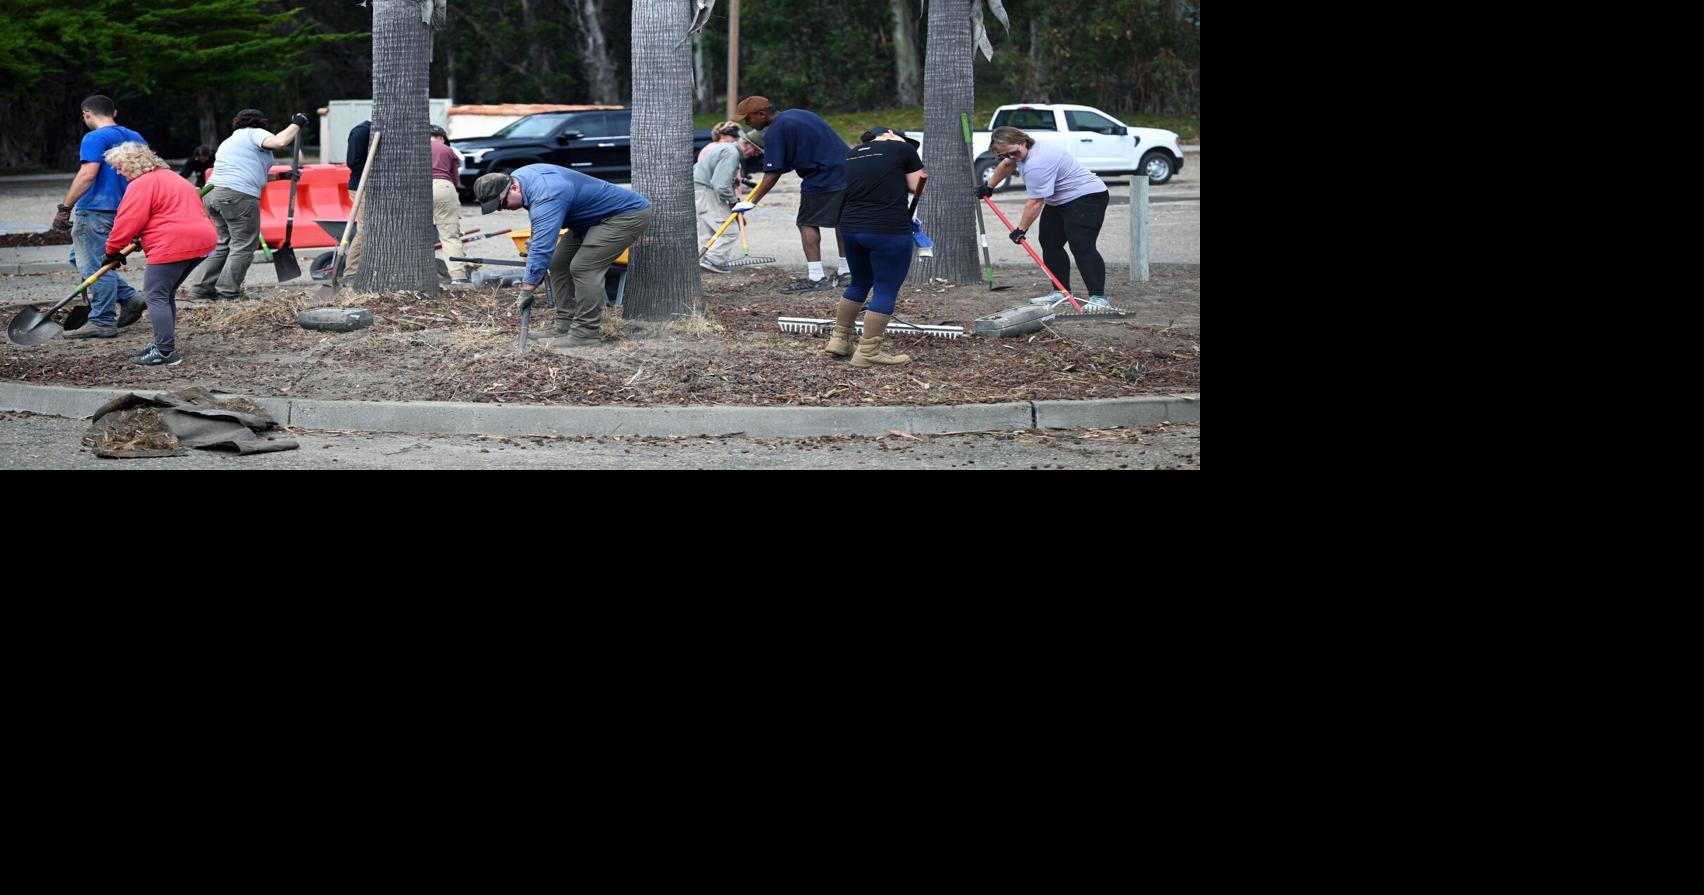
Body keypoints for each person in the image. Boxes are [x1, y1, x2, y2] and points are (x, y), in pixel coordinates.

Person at [473, 166, 652, 350]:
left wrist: (527, 290)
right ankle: (564, 325)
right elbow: (541, 221)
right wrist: (537, 241)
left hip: (624, 215)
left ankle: (585, 334)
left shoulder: (547, 194)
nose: (502, 209)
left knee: (584, 267)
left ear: (514, 188)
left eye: (502, 204)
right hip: (589, 219)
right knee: (558, 263)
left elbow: (543, 245)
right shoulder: (522, 179)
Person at [101, 143, 217, 366]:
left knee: (155, 295)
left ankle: (165, 351)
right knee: (165, 294)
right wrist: (139, 238)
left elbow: (127, 220)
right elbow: (168, 210)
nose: (117, 171)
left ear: (132, 164)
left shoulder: (141, 184)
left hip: (173, 243)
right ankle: (162, 343)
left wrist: (111, 251)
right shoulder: (173, 177)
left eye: (119, 167)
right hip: (202, 239)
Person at [824, 127, 928, 368]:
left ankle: (839, 340)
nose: (908, 145)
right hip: (888, 229)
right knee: (885, 289)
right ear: (890, 133)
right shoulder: (902, 149)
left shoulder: (852, 154)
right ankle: (868, 351)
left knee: (859, 283)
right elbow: (916, 186)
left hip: (851, 229)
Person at [978, 126, 1112, 306]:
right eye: (1006, 154)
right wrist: (989, 186)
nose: (1012, 157)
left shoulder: (1037, 162)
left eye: (1014, 153)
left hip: (1087, 197)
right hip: (1059, 200)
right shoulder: (1017, 154)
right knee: (1050, 243)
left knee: (1081, 245)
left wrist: (1021, 229)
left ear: (1023, 142)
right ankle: (1061, 292)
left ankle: (1099, 298)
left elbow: (1035, 202)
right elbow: (1007, 165)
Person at [729, 96, 852, 294]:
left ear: (762, 114)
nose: (747, 124)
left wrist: (750, 202)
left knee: (806, 222)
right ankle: (847, 273)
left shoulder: (775, 131)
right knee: (842, 221)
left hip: (822, 175)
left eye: (748, 119)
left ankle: (816, 277)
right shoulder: (798, 114)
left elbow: (773, 173)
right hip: (848, 170)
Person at [185, 108, 309, 301]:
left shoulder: (231, 140)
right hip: (237, 196)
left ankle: (200, 289)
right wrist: (297, 124)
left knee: (223, 243)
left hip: (212, 194)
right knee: (243, 245)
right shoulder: (254, 133)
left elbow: (246, 172)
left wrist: (280, 176)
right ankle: (228, 292)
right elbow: (280, 141)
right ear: (261, 123)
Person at [51, 95, 147, 339]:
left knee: (95, 265)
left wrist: (65, 207)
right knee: (79, 258)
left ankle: (102, 320)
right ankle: (129, 297)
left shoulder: (94, 137)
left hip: (95, 210)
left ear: (87, 114)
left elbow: (87, 174)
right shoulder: (136, 136)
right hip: (125, 209)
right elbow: (146, 174)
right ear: (114, 112)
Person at [694, 121, 745, 273]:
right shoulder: (718, 149)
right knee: (726, 230)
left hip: (712, 191)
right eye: (731, 136)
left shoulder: (726, 149)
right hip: (711, 193)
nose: (734, 140)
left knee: (707, 230)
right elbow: (718, 180)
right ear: (722, 135)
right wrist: (733, 201)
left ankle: (703, 261)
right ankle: (713, 260)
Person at [430, 125, 469, 285]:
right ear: (441, 137)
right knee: (449, 235)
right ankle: (458, 276)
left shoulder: (414, 146)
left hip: (418, 189)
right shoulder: (447, 150)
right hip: (443, 186)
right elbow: (455, 179)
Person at [342, 119, 372, 279]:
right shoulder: (361, 132)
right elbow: (353, 162)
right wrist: (377, 169)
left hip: (374, 187)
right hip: (360, 187)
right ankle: (351, 272)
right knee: (365, 229)